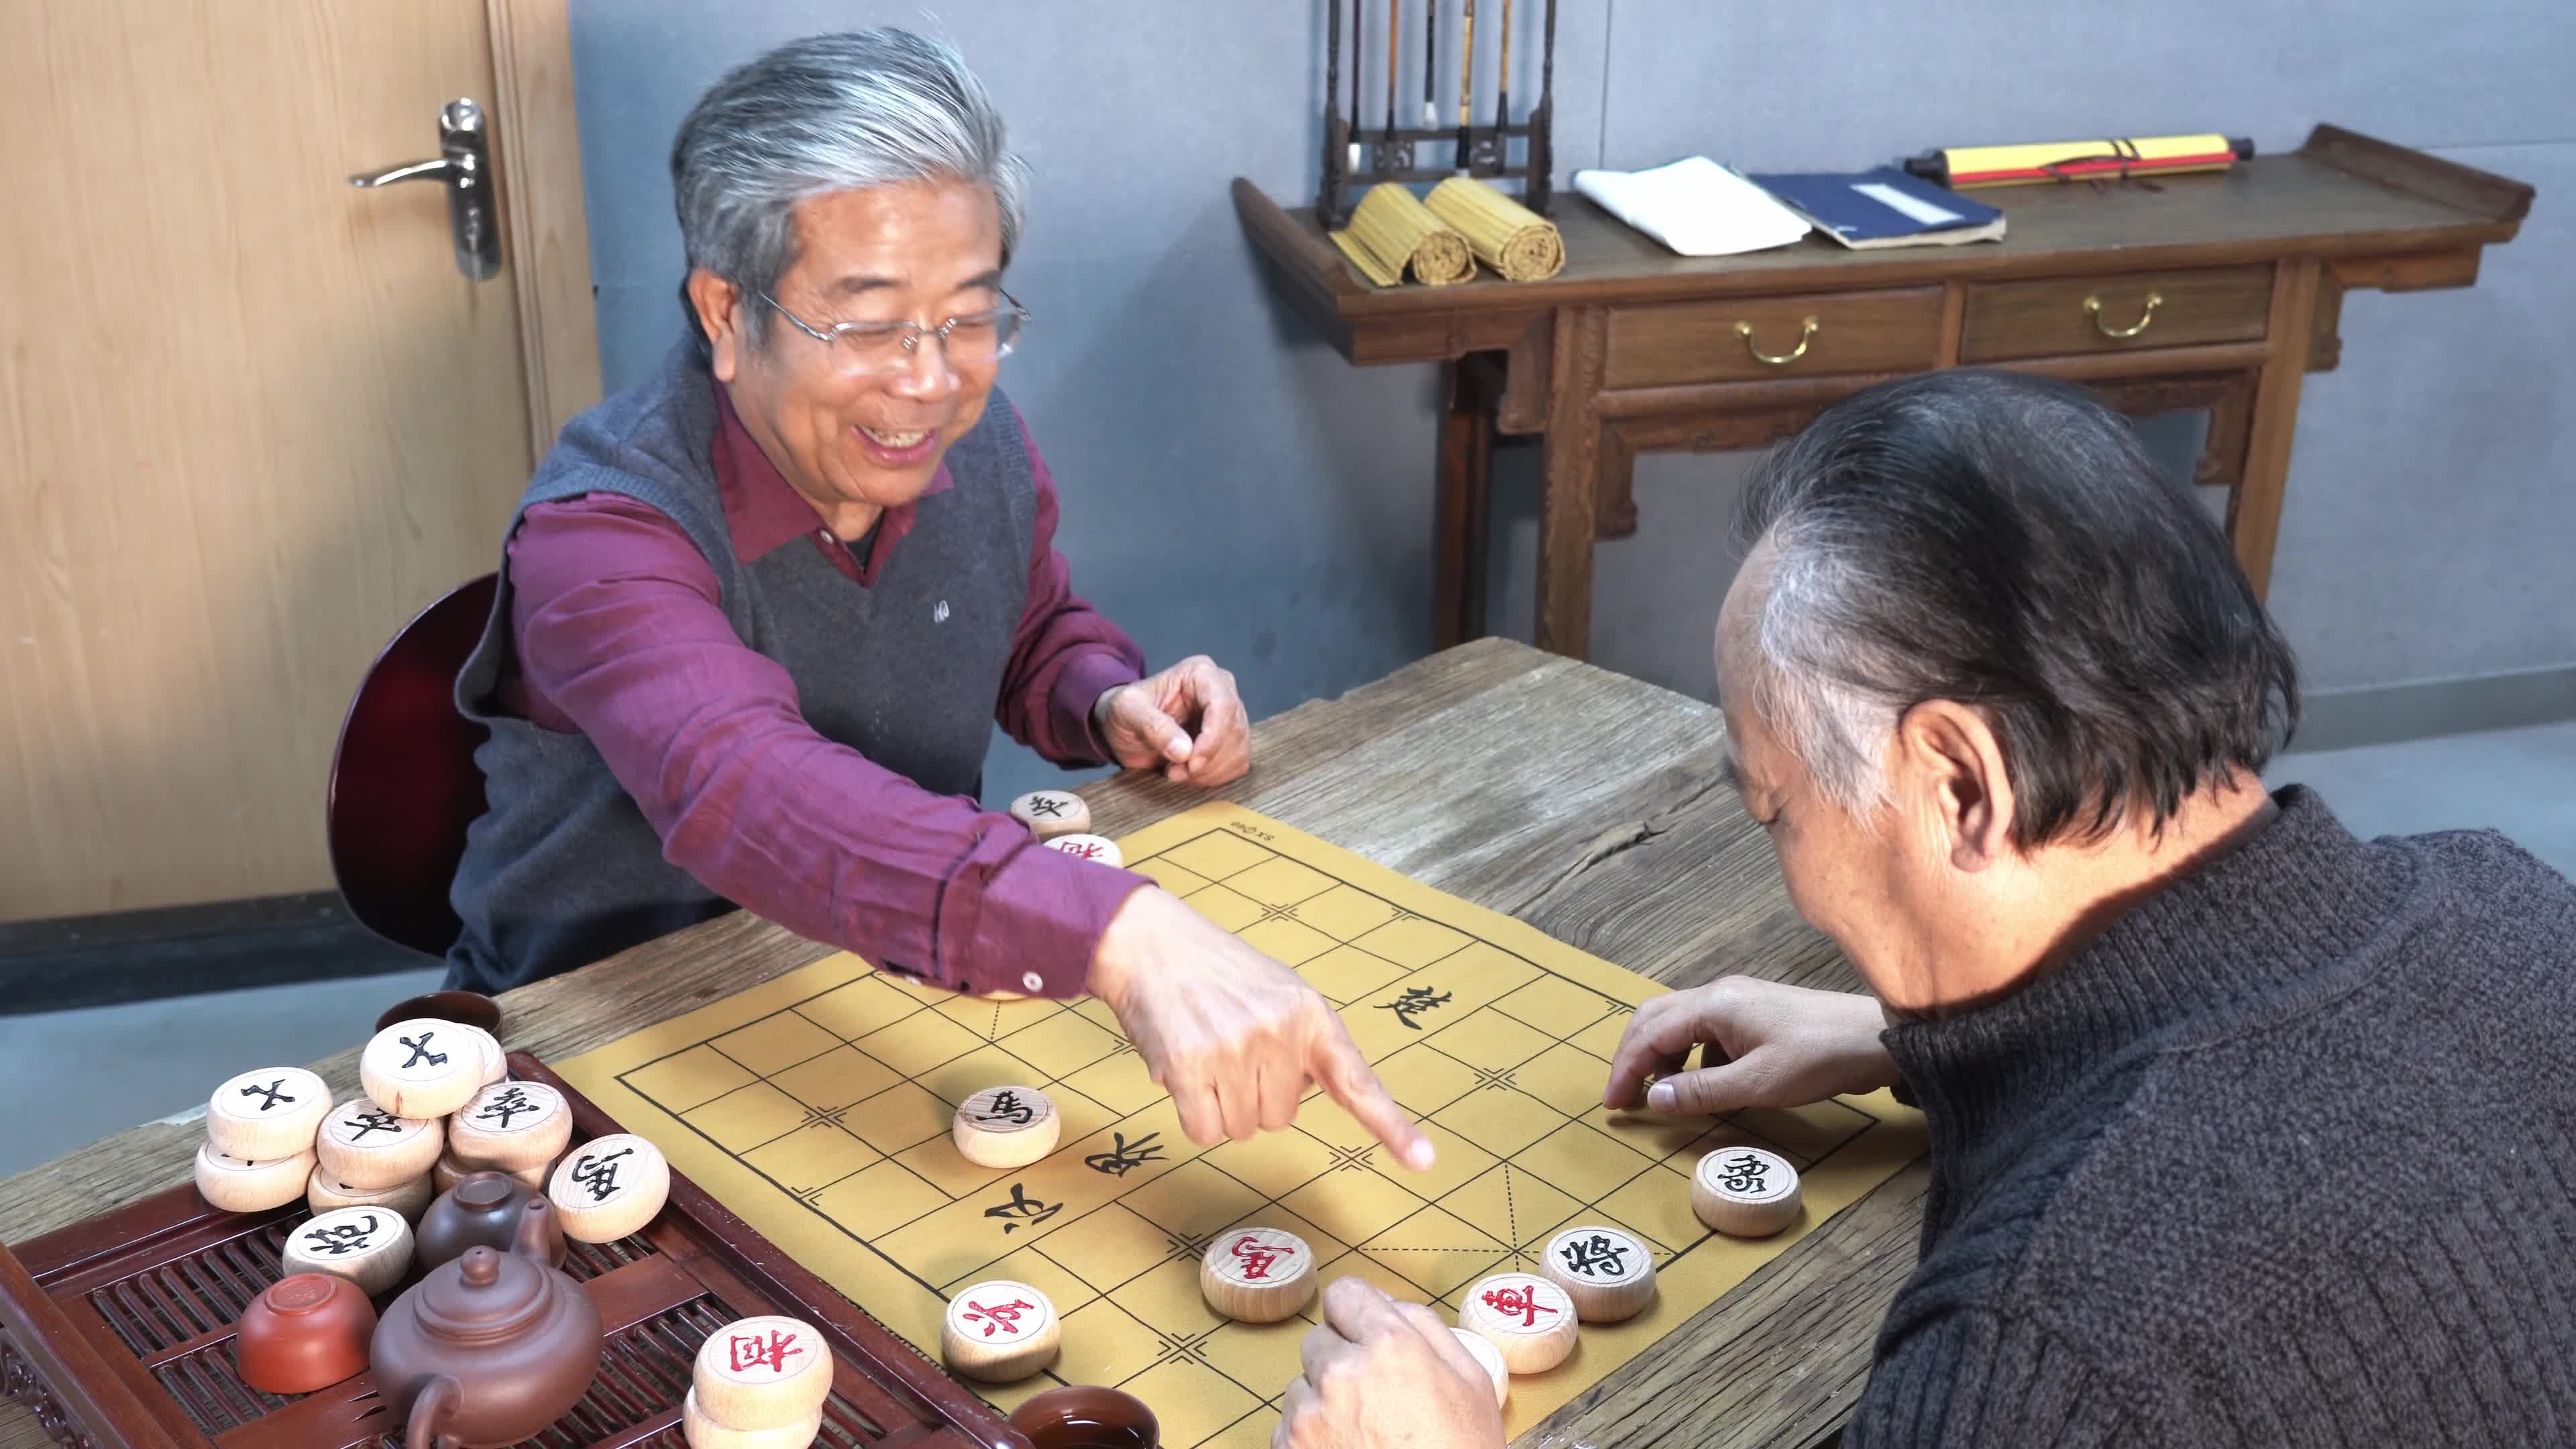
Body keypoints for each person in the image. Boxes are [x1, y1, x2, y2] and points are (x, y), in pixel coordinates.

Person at [1277, 370, 2576, 1447]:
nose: (1783, 858)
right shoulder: (2514, 902)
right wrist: (1923, 1042)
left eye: (1776, 808)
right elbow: (2304, 1088)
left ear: (1961, 782)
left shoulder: (2040, 1357)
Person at [442, 30, 1430, 1169]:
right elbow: (741, 786)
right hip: (606, 1048)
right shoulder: (601, 533)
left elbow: (1024, 627)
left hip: (880, 986)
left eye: (970, 315)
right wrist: (1123, 932)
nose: (929, 379)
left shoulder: (974, 435)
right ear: (725, 313)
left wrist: (1106, 700)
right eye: (867, 323)